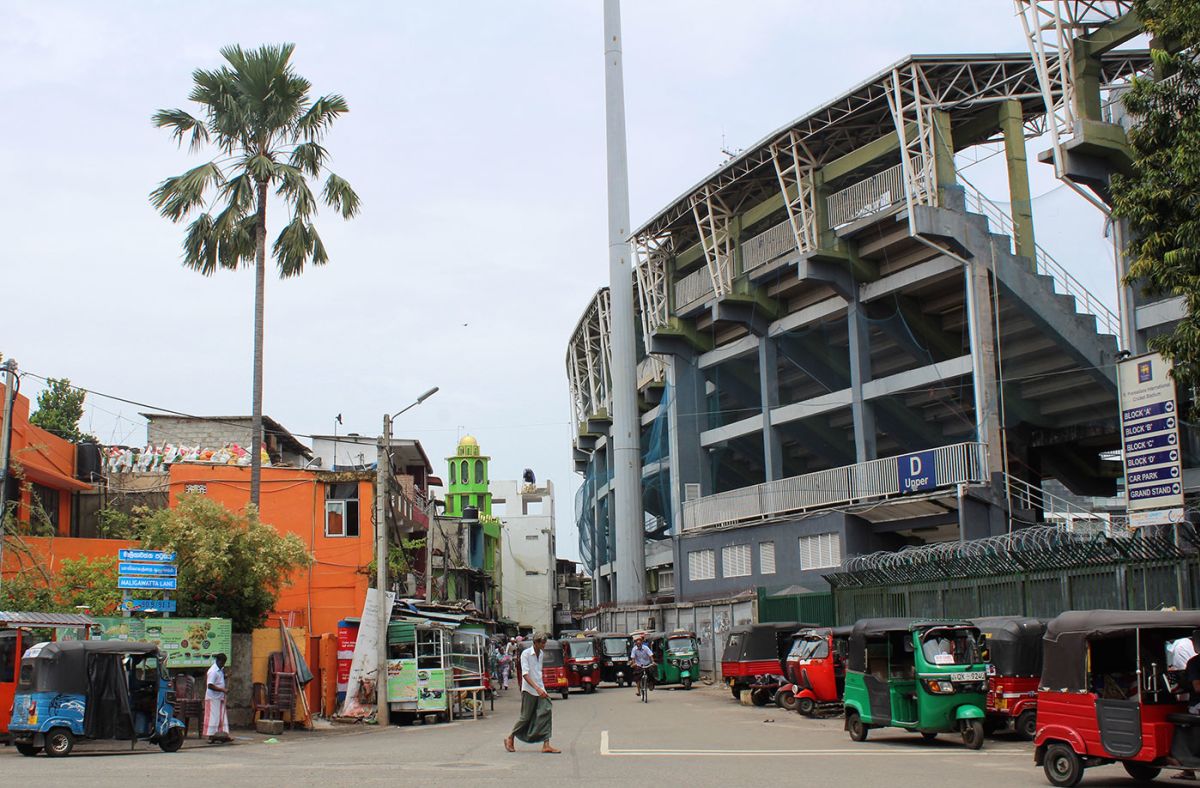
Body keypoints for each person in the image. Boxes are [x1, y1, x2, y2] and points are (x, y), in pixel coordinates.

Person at [504, 633, 559, 754]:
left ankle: (546, 744)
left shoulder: (541, 654)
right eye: (542, 643)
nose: (544, 645)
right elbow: (525, 674)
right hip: (529, 689)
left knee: (546, 711)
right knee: (525, 717)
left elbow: (538, 673)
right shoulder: (526, 654)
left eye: (545, 643)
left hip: (540, 688)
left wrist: (542, 689)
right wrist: (536, 688)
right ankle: (510, 737)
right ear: (536, 643)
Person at [203, 653, 232, 743]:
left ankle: (223, 735)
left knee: (222, 716)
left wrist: (226, 676)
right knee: (213, 717)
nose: (223, 664)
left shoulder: (220, 669)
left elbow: (220, 679)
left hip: (219, 698)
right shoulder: (213, 671)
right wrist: (222, 690)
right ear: (219, 661)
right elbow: (210, 685)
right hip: (212, 698)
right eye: (223, 662)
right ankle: (211, 736)